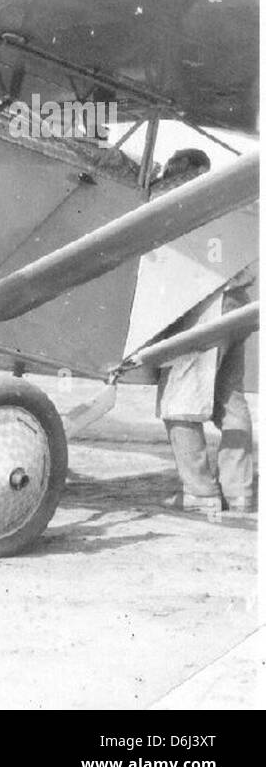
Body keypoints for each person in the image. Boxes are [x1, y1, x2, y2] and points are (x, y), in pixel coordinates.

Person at [152, 149, 256, 516]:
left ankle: (200, 493)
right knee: (230, 402)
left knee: (179, 404)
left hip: (205, 303)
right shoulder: (230, 199)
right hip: (239, 301)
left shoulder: (182, 196)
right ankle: (240, 492)